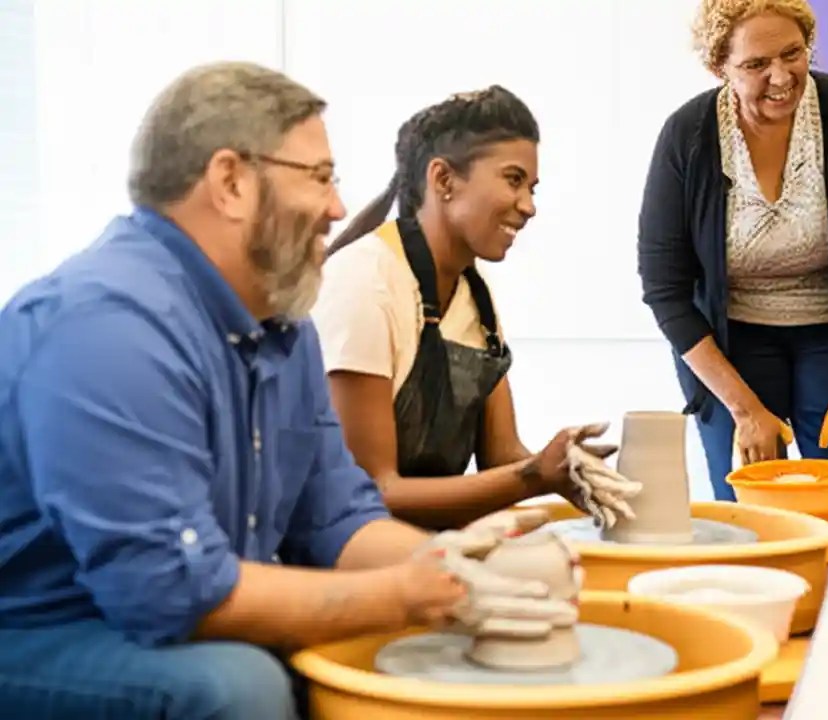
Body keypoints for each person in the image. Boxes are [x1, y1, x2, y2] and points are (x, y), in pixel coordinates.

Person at [0, 62, 576, 720]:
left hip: (170, 603)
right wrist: (412, 594)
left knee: (426, 634)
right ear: (231, 182)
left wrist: (462, 563)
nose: (338, 208)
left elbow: (336, 519)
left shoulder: (280, 322)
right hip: (42, 628)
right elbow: (168, 594)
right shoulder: (106, 328)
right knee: (240, 685)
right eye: (321, 177)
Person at [312, 86, 640, 531]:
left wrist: (572, 474)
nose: (528, 206)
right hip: (345, 550)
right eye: (513, 179)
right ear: (443, 179)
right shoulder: (364, 281)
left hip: (428, 544)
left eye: (532, 187)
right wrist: (534, 475)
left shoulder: (474, 294)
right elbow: (373, 489)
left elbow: (501, 455)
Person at [637, 0, 828, 500]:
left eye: (793, 53)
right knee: (747, 512)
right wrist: (743, 411)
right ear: (718, 66)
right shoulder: (687, 135)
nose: (781, 77)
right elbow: (666, 290)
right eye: (756, 64)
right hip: (728, 348)